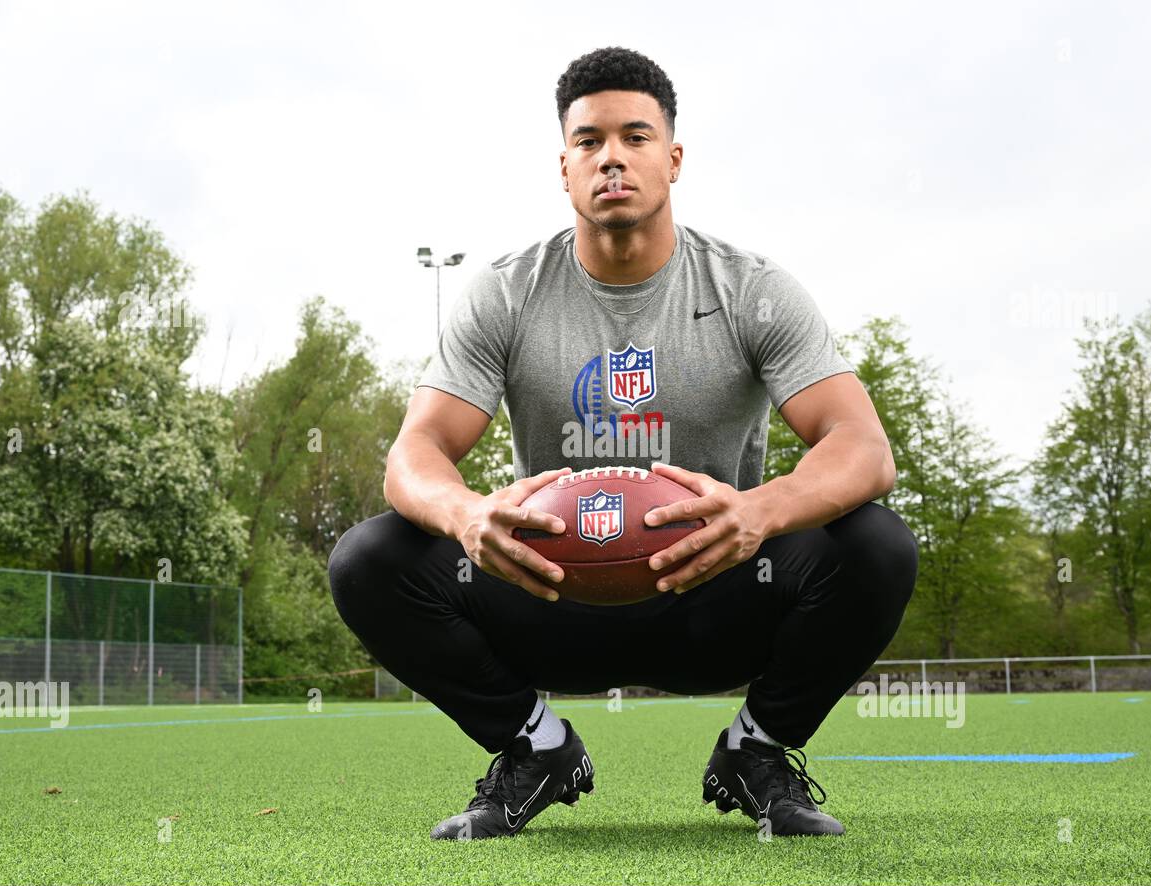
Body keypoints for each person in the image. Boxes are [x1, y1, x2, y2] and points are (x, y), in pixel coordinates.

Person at [328, 45, 918, 840]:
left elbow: (862, 445)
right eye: (589, 141)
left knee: (878, 545)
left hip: (715, 595)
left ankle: (758, 747)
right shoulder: (506, 292)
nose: (612, 157)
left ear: (673, 160)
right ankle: (533, 746)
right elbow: (415, 453)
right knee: (369, 559)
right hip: (553, 592)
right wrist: (468, 515)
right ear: (563, 167)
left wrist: (756, 513)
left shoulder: (751, 288)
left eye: (636, 137)